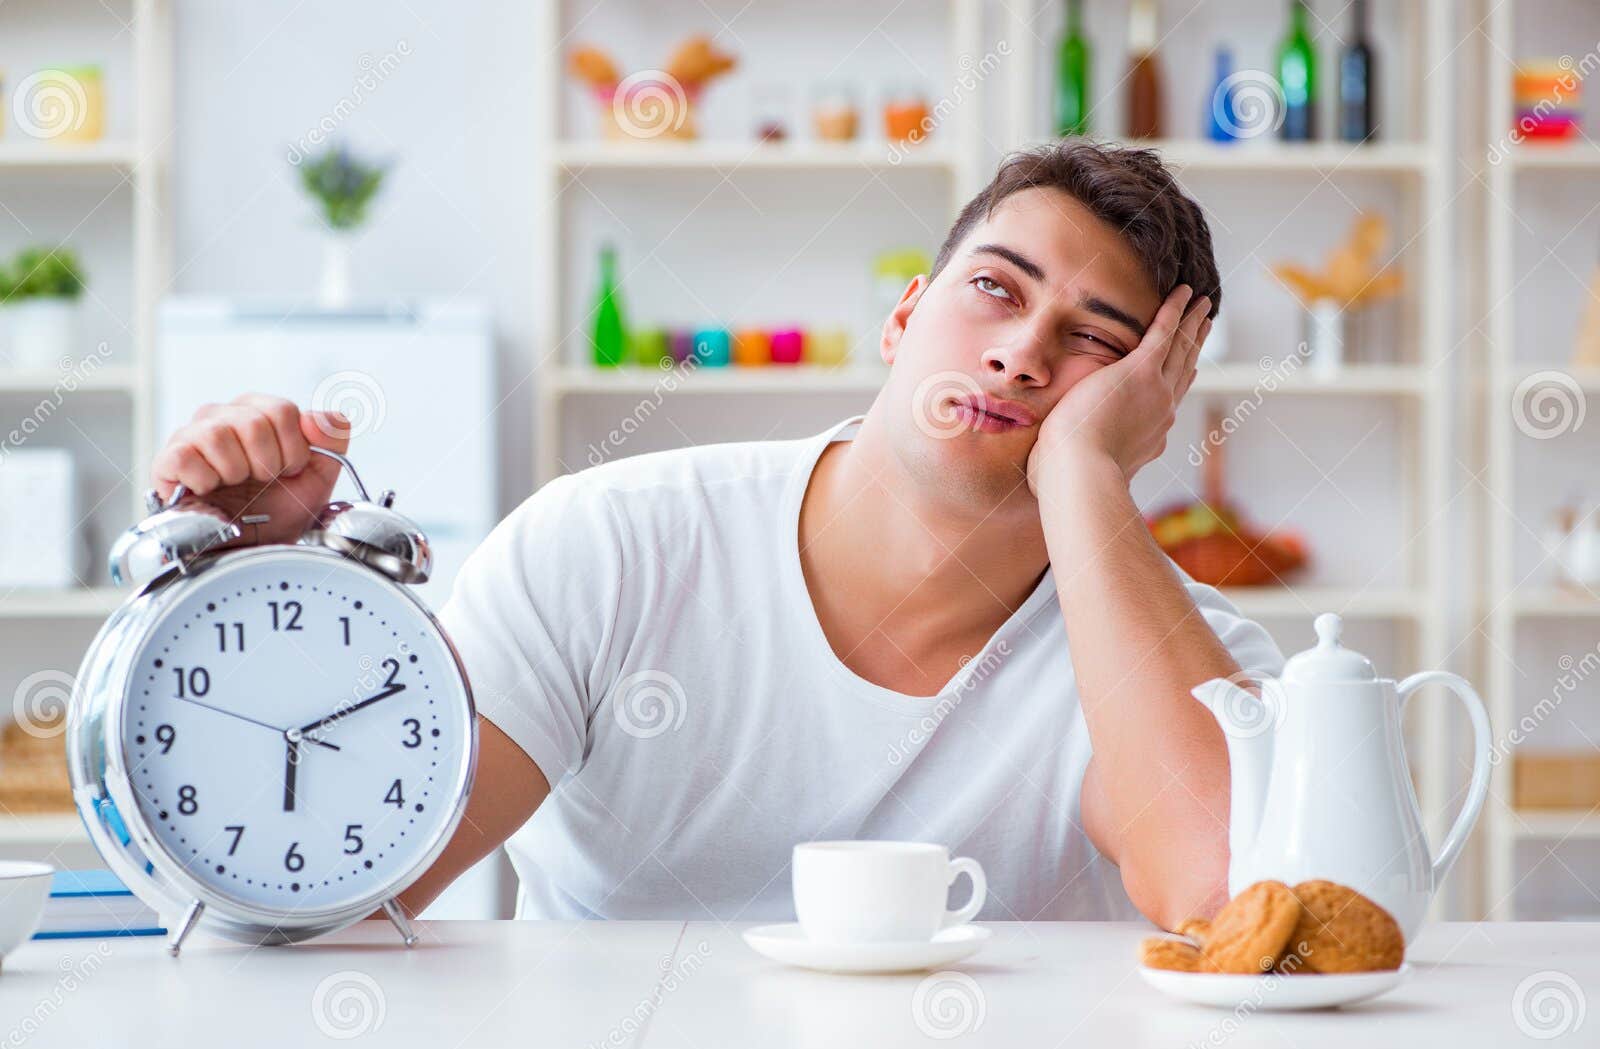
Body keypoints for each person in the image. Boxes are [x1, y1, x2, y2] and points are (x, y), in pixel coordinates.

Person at [150, 141, 1281, 932]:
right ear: (902, 317)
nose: (1021, 355)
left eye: (1094, 343)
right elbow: (335, 897)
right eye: (995, 288)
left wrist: (1083, 477)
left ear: (1145, 412)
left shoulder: (1191, 657)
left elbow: (1229, 897)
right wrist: (246, 599)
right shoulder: (607, 549)